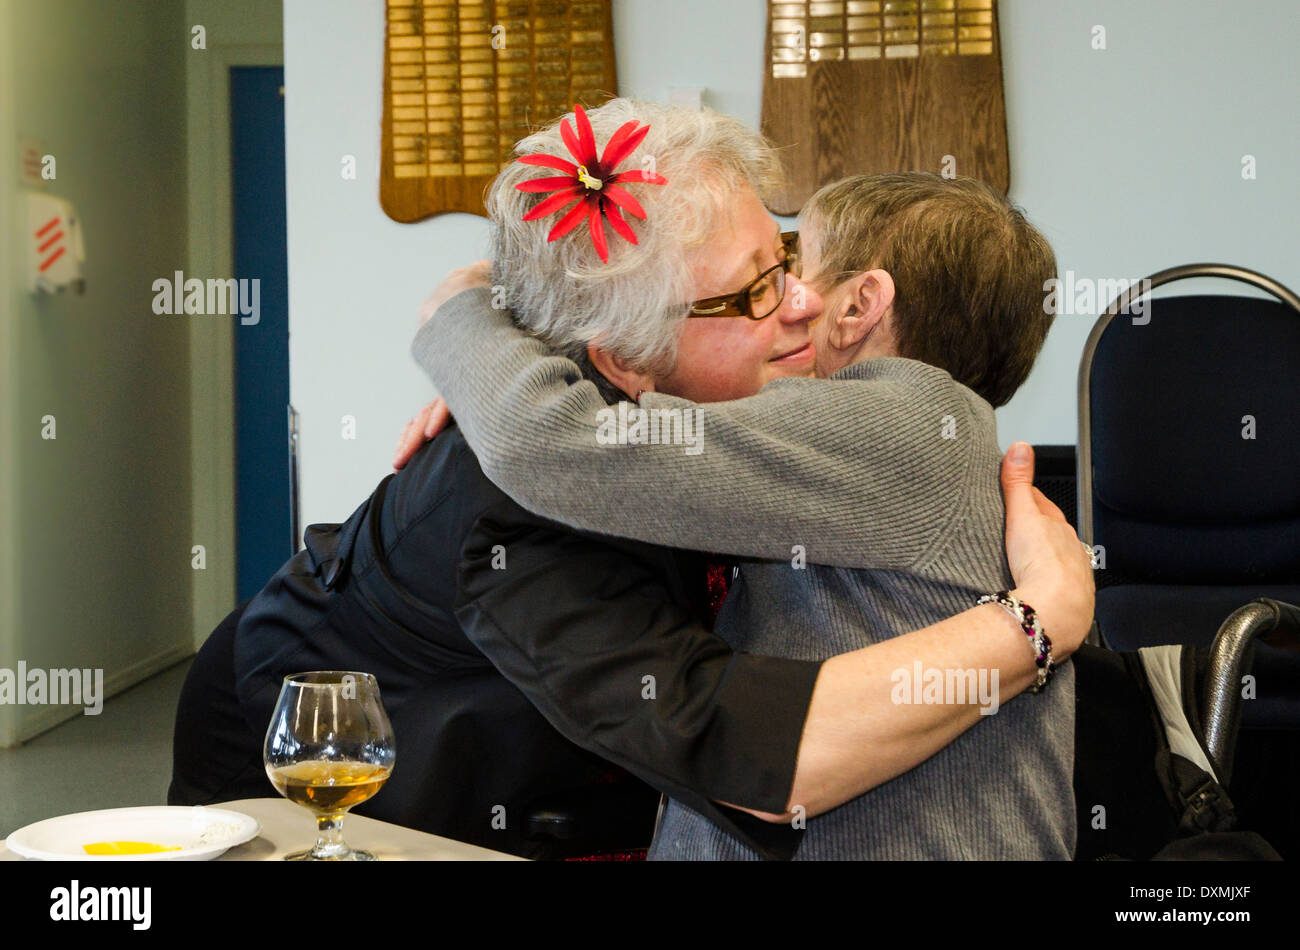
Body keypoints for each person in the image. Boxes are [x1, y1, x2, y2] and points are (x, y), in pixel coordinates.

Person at [171, 100, 1092, 860]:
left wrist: (477, 304)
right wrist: (1040, 623)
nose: (805, 299)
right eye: (755, 291)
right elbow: (752, 756)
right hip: (321, 754)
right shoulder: (522, 505)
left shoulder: (686, 402)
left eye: (783, 254)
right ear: (631, 362)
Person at [403, 165, 1082, 858]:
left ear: (858, 307)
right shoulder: (929, 439)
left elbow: (556, 443)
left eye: (791, 264)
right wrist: (524, 368)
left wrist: (463, 315)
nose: (783, 299)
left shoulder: (894, 420)